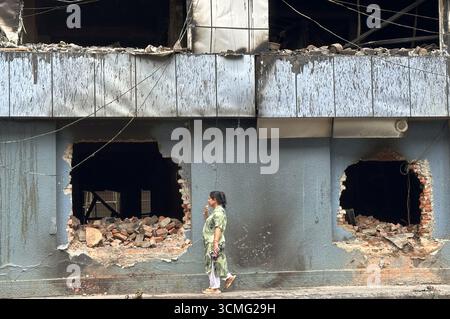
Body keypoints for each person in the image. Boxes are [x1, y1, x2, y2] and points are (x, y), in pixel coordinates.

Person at [202, 191, 236, 294]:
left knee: (212, 263)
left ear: (215, 200)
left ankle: (214, 288)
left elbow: (218, 228)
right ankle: (227, 277)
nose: (208, 200)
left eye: (209, 198)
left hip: (213, 242)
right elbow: (211, 226)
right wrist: (206, 214)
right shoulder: (216, 212)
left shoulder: (218, 213)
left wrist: (215, 242)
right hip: (212, 242)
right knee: (216, 262)